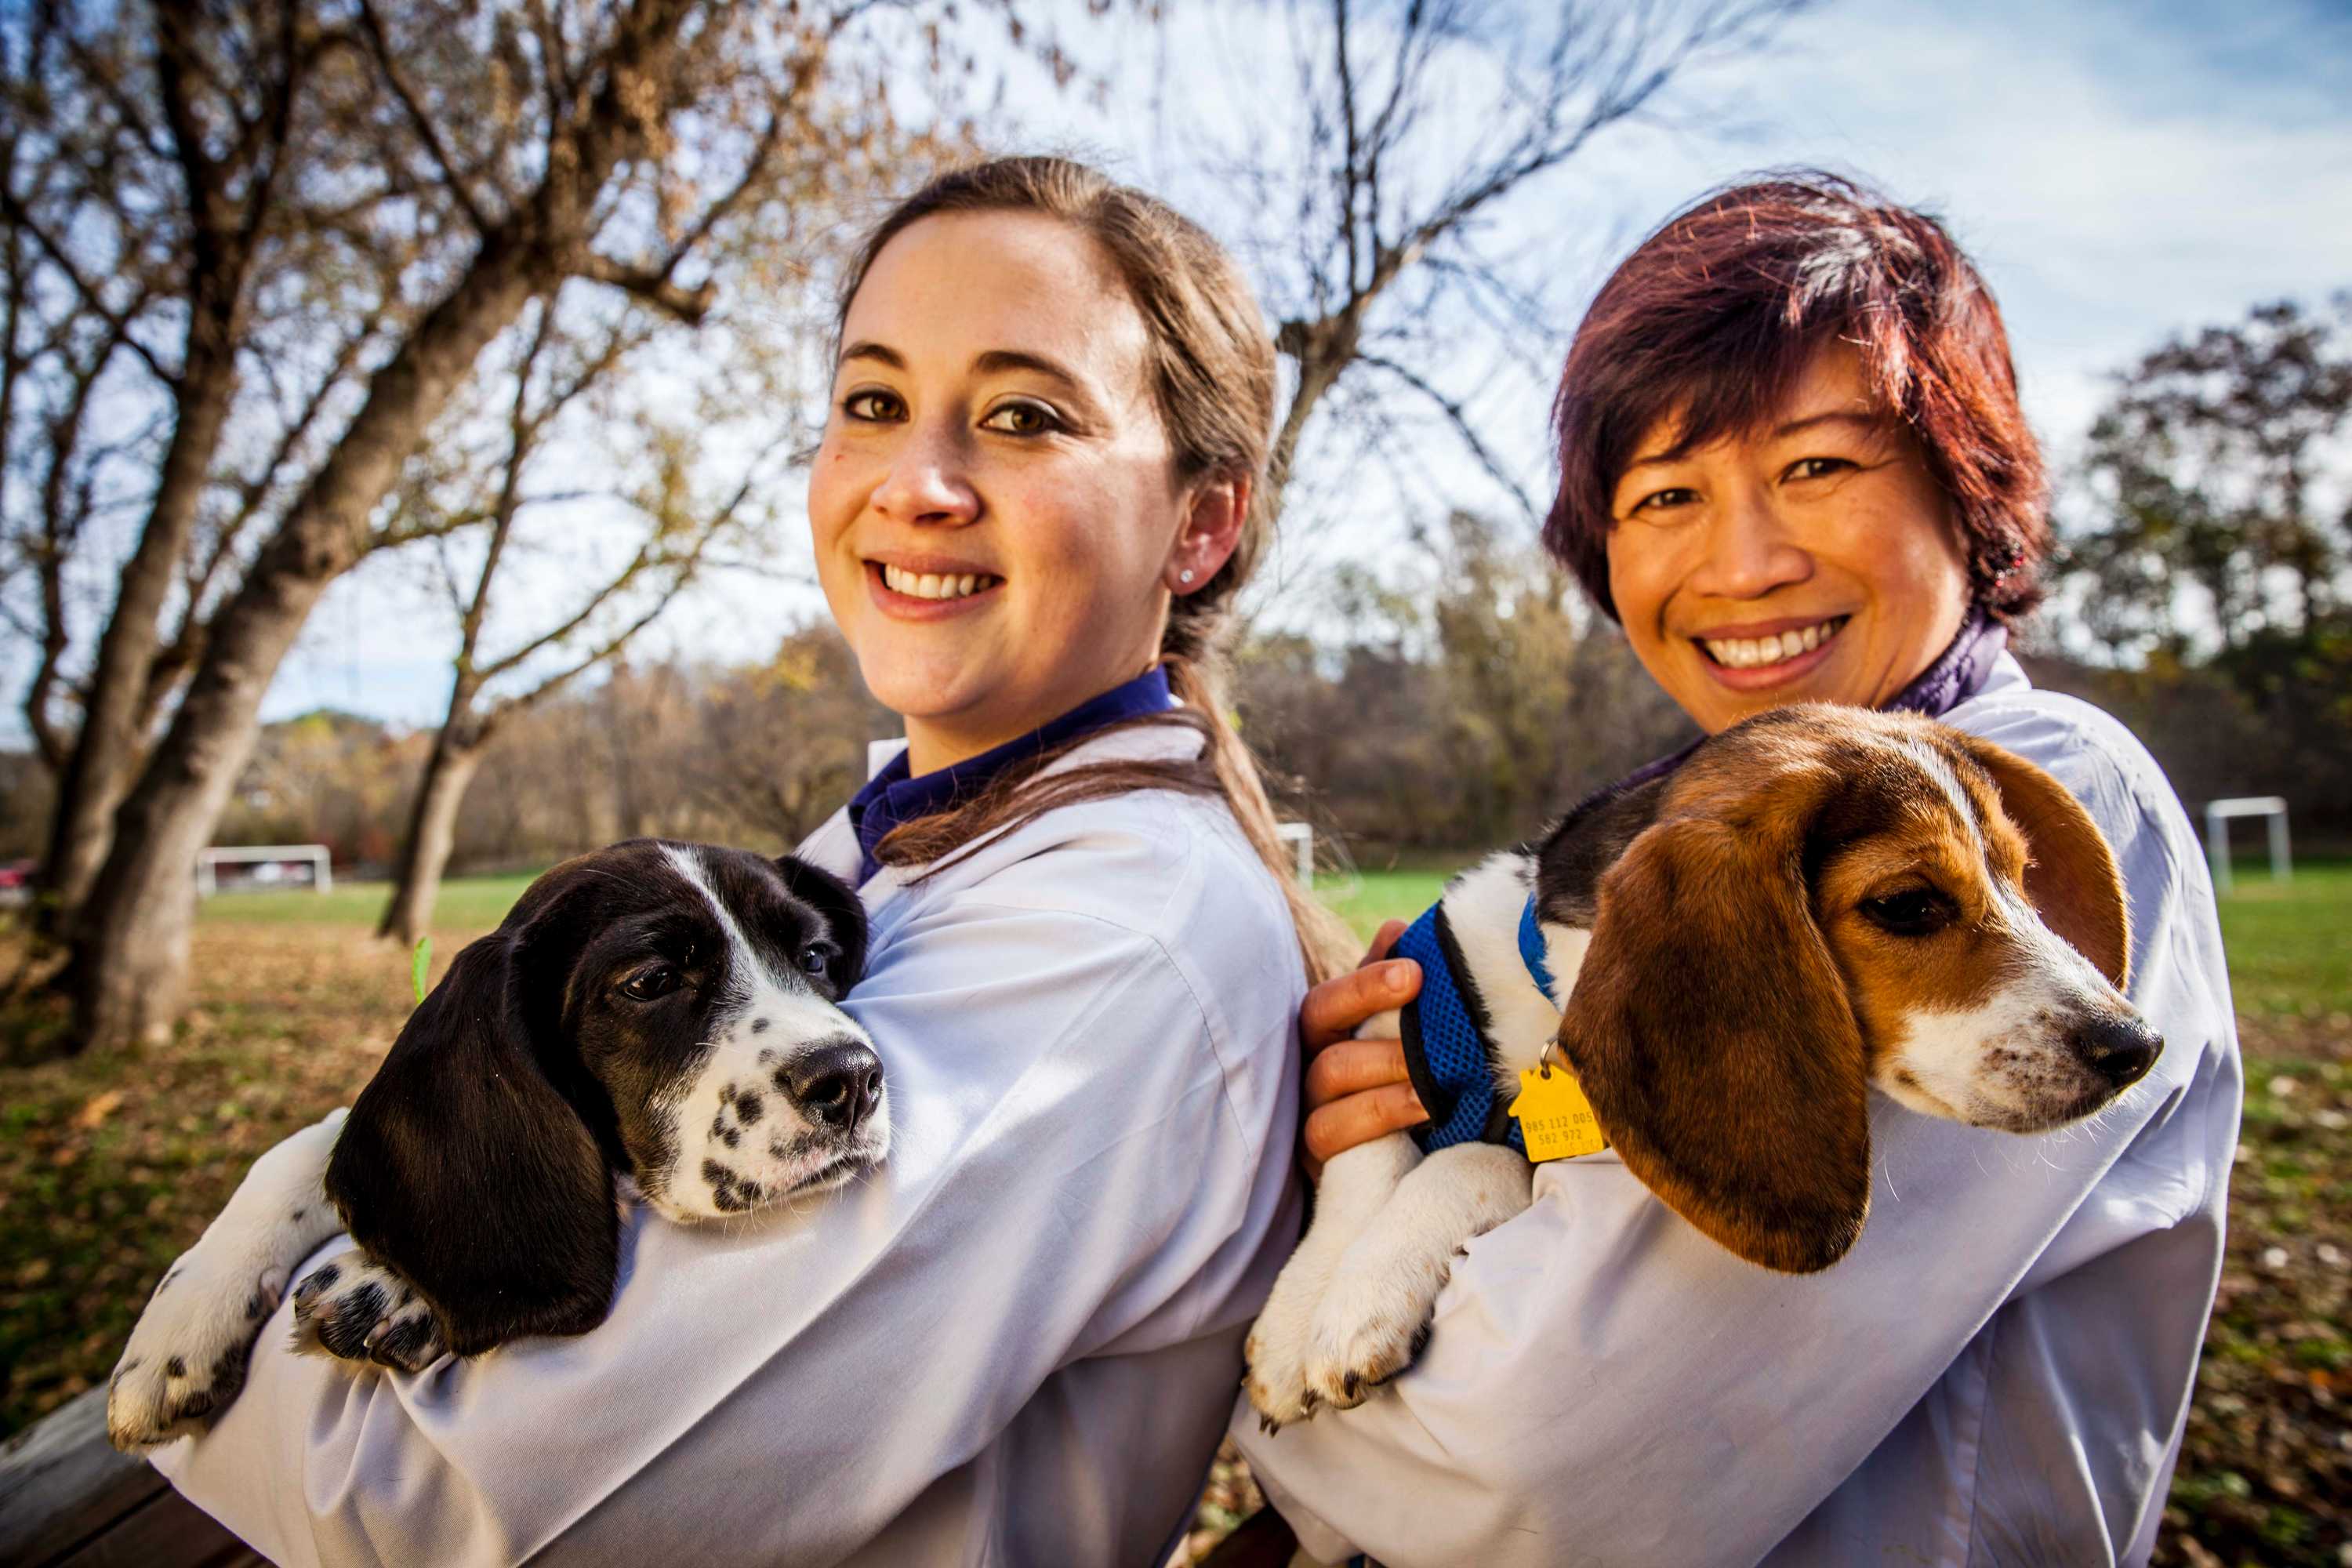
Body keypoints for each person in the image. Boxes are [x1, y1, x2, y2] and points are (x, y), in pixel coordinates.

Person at [154, 156, 1347, 1566]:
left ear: (1202, 522)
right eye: (873, 401)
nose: (917, 483)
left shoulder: (1110, 939)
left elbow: (427, 1501)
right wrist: (321, 1184)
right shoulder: (885, 850)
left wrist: (211, 1356)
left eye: (1023, 418)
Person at [1232, 175, 2244, 1566]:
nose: (1746, 562)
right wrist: (1395, 1146)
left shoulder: (2043, 791)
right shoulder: (1721, 833)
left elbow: (1515, 1466)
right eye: (1665, 494)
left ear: (1966, 481)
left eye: (1818, 465)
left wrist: (1285, 1440)